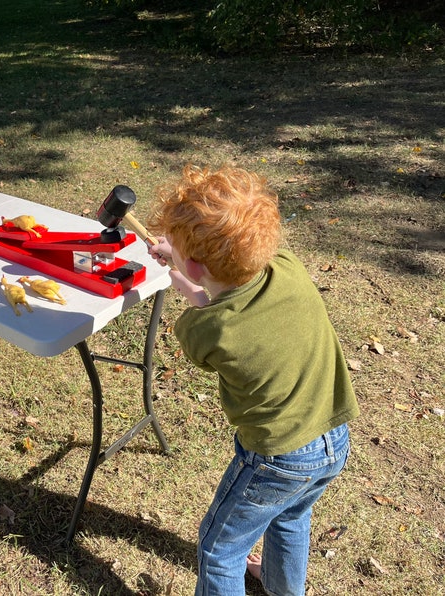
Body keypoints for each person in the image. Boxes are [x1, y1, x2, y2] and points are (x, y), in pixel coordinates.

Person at [145, 164, 360, 596]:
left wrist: (187, 279)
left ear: (192, 262)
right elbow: (228, 294)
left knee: (218, 550)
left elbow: (211, 317)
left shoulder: (204, 331)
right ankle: (284, 589)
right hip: (333, 436)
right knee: (291, 517)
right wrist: (189, 263)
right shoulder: (286, 266)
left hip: (278, 457)